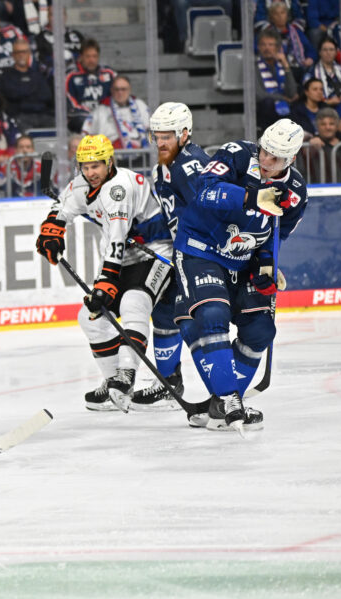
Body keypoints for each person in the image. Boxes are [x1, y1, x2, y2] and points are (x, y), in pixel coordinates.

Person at [172, 119, 308, 430]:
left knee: (261, 331)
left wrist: (265, 266)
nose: (264, 160)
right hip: (200, 248)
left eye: (274, 158)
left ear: (292, 159)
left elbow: (276, 236)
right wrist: (252, 196)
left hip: (243, 259)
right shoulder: (236, 154)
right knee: (212, 313)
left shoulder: (296, 193)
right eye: (263, 151)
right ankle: (231, 399)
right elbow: (203, 191)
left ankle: (220, 403)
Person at [34, 134, 171, 411]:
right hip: (122, 256)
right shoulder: (83, 183)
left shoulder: (118, 188)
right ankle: (113, 385)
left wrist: (106, 283)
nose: (90, 172)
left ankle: (126, 374)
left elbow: (116, 239)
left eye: (96, 165)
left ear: (110, 162)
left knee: (134, 302)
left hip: (155, 252)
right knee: (90, 317)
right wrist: (52, 231)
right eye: (85, 166)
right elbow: (62, 207)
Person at [132, 102, 209, 410]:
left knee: (203, 320)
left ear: (185, 134)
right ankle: (169, 380)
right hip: (182, 254)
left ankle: (227, 388)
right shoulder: (162, 168)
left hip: (203, 255)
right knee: (165, 311)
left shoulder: (190, 166)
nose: (160, 142)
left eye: (167, 136)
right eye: (156, 136)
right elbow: (172, 217)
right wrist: (144, 231)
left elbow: (212, 212)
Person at [82, 75, 151, 150]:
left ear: (129, 90)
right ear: (111, 90)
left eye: (123, 89)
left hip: (141, 155)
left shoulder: (140, 105)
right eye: (117, 89)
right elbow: (86, 134)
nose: (120, 92)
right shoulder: (100, 110)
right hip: (111, 156)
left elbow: (152, 130)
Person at [65, 38, 117, 133]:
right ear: (80, 57)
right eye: (88, 56)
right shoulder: (71, 76)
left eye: (94, 56)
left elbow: (117, 97)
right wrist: (94, 115)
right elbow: (71, 105)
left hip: (105, 115)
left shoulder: (109, 73)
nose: (91, 60)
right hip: (80, 117)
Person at [255, 28, 298, 131]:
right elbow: (259, 95)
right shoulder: (254, 66)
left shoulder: (281, 64)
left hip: (284, 107)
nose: (267, 48)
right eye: (263, 45)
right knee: (268, 103)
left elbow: (292, 93)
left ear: (278, 47)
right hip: (265, 110)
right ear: (259, 47)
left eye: (271, 45)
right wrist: (283, 98)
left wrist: (286, 66)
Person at [303, 37, 341, 108]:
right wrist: (328, 102)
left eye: (331, 50)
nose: (328, 53)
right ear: (320, 52)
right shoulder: (311, 71)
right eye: (325, 50)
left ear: (336, 52)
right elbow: (307, 96)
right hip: (322, 109)